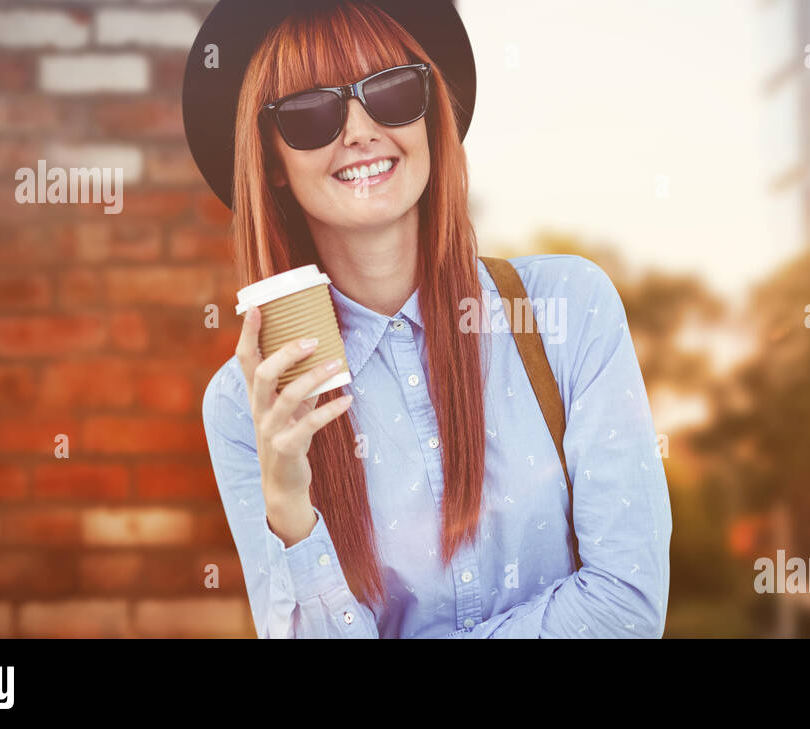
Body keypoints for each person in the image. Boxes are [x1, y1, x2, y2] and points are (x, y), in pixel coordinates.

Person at [187, 0, 672, 638]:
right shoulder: (244, 406)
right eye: (311, 113)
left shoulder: (569, 311)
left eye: (391, 91)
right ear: (273, 161)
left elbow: (625, 610)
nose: (359, 131)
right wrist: (288, 506)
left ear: (431, 119)